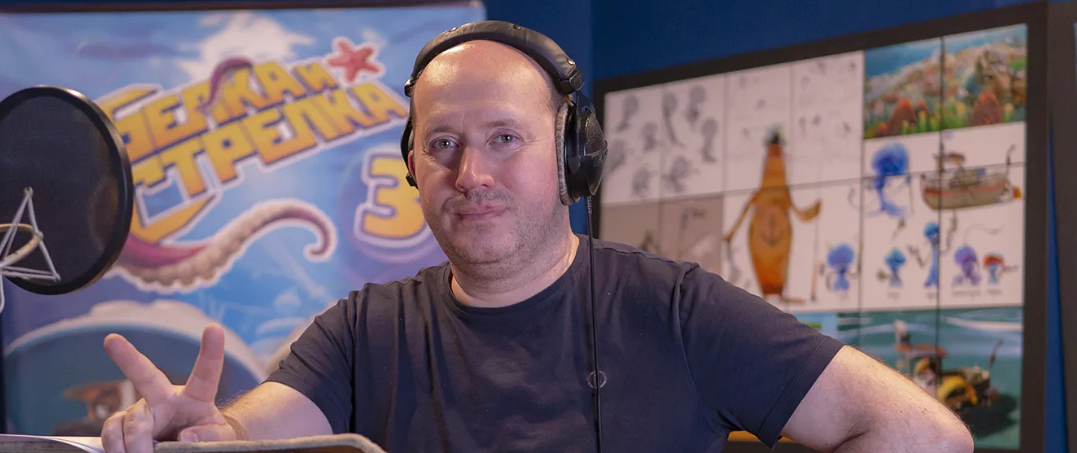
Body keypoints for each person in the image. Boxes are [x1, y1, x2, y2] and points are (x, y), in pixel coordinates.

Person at [99, 21, 974, 453]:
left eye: (503, 138)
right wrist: (209, 433)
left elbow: (924, 433)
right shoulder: (364, 331)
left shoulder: (675, 310)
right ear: (412, 166)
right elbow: (253, 432)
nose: (470, 173)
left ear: (570, 155)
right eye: (441, 145)